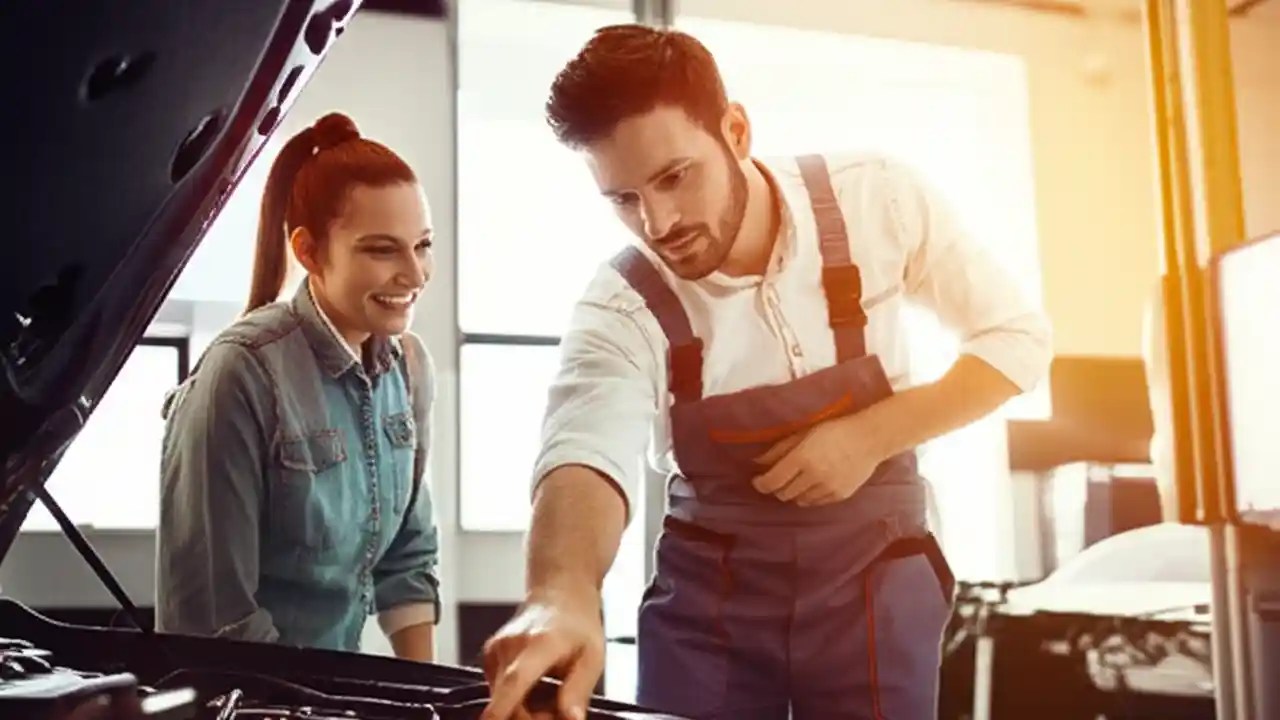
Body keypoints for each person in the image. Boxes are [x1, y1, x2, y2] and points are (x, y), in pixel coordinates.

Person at [480, 25, 1054, 720]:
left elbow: (1017, 340)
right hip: (709, 606)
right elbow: (584, 452)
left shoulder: (876, 200)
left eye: (673, 177)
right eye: (623, 199)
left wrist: (870, 436)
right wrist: (560, 595)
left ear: (737, 130)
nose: (657, 223)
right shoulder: (621, 302)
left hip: (873, 585)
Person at [155, 112, 441, 660]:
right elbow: (215, 619)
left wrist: (422, 701)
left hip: (337, 696)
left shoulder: (410, 367)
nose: (416, 273)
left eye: (422, 244)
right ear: (309, 252)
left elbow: (408, 556)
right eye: (382, 249)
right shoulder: (239, 374)